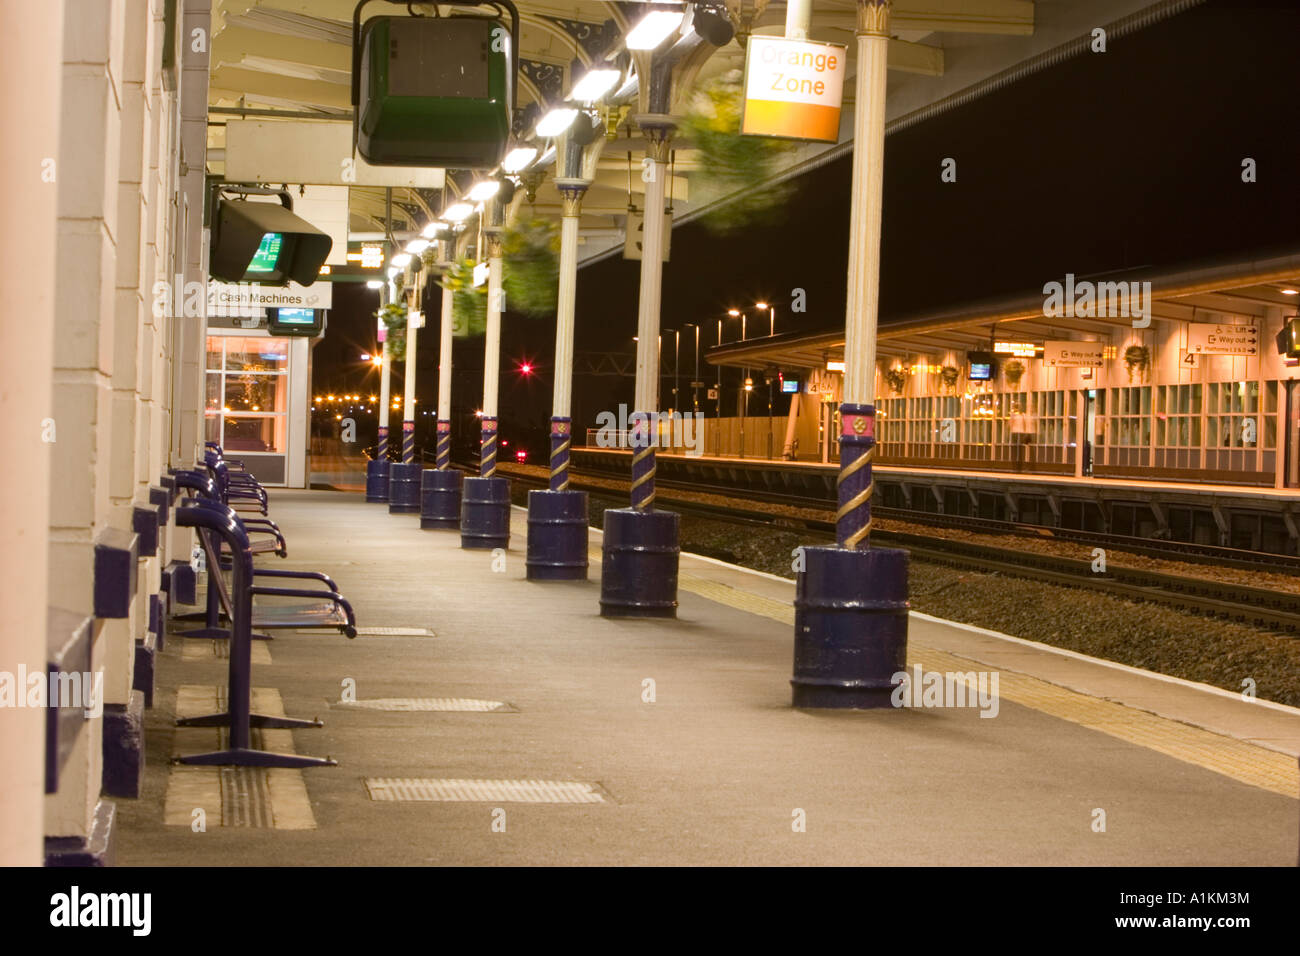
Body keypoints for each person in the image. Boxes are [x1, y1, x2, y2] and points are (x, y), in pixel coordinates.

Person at [1009, 404, 1034, 471]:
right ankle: (1018, 466)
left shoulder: (1017, 415)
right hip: (1020, 433)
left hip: (1016, 433)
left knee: (1016, 451)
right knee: (1019, 451)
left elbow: (1010, 424)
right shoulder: (1023, 415)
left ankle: (1017, 467)